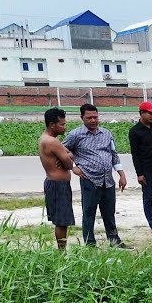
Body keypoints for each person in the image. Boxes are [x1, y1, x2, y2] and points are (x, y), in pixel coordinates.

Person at [63, 103, 131, 249]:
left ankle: (114, 240)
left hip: (108, 180)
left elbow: (113, 154)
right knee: (89, 212)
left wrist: (121, 174)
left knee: (109, 212)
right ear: (82, 118)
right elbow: (61, 151)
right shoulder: (75, 135)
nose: (93, 120)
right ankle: (90, 243)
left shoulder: (106, 134)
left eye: (95, 117)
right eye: (89, 118)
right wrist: (72, 167)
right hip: (89, 179)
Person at [38, 108, 75, 251]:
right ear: (52, 125)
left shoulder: (46, 139)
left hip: (55, 183)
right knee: (61, 221)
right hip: (57, 184)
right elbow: (69, 163)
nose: (64, 127)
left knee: (61, 221)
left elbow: (68, 156)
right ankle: (62, 252)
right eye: (62, 124)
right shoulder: (52, 141)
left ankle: (62, 250)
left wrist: (67, 155)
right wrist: (67, 157)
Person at [128, 101, 152, 234]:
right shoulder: (134, 131)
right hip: (146, 170)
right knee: (148, 198)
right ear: (141, 114)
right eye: (149, 113)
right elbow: (135, 154)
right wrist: (139, 173)